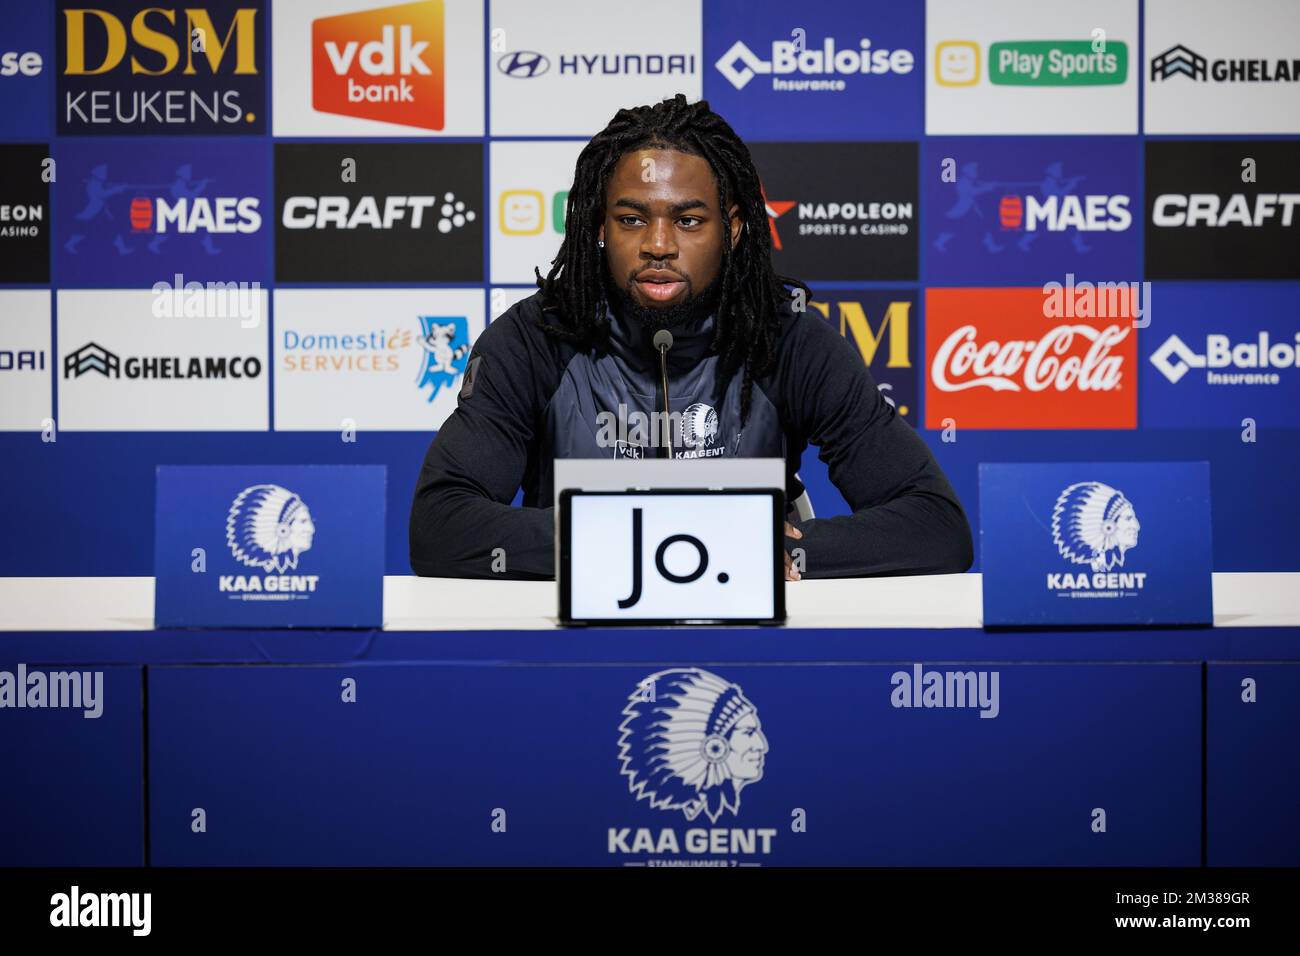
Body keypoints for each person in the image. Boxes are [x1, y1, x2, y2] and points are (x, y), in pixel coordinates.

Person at [410, 94, 972, 581]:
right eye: (632, 219)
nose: (658, 244)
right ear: (598, 227)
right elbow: (440, 525)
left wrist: (765, 552)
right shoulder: (534, 339)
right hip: (577, 642)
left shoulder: (788, 338)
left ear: (731, 228)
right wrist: (630, 541)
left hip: (749, 639)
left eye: (688, 220)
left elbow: (936, 525)